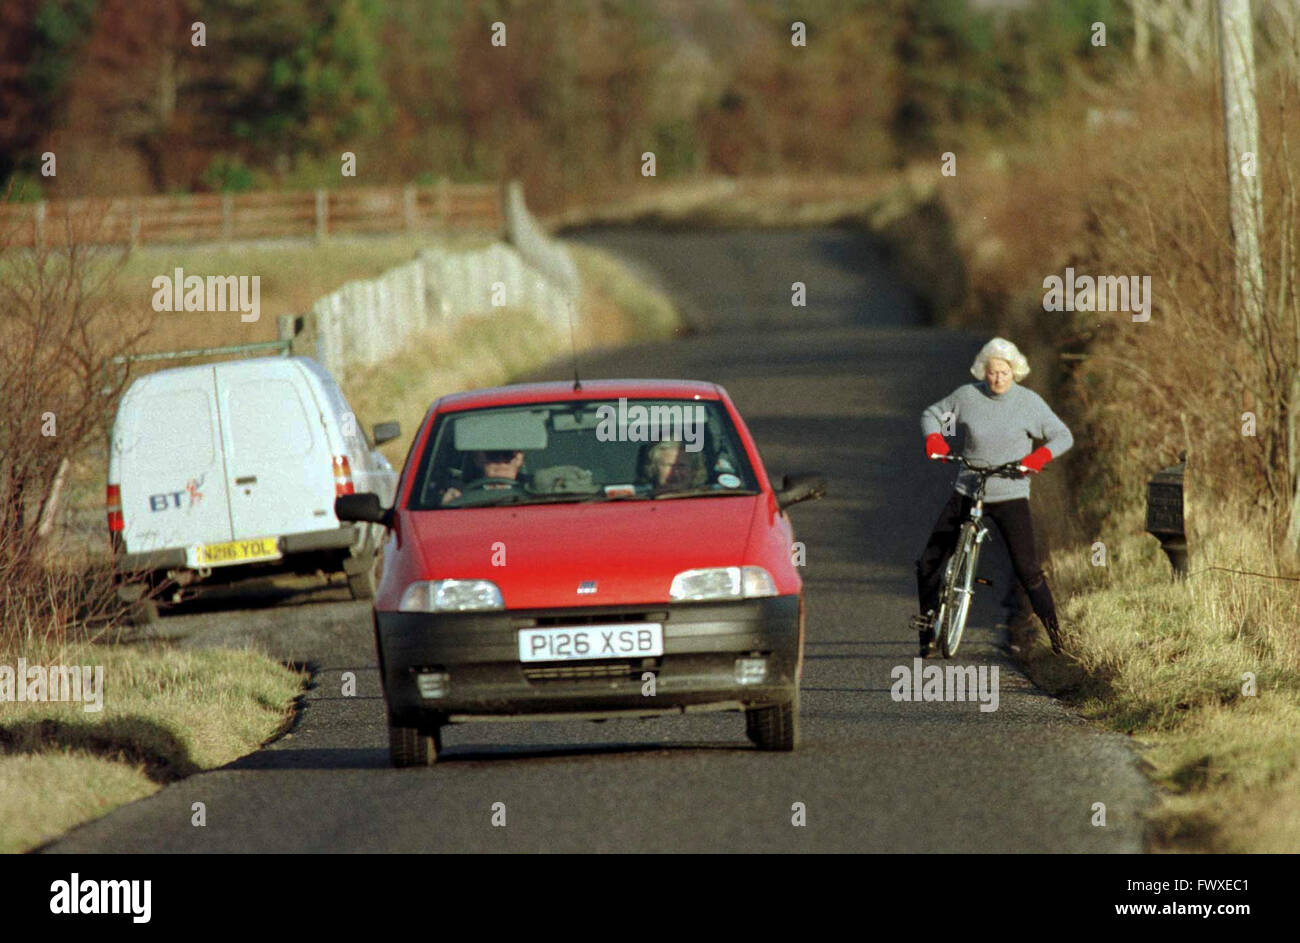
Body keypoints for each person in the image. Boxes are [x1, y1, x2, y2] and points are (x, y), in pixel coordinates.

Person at [914, 337, 1073, 655]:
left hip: (1010, 493)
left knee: (1028, 570)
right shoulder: (967, 397)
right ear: (982, 372)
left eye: (1004, 372)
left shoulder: (1029, 403)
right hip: (968, 488)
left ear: (1014, 371)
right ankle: (930, 625)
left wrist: (1037, 459)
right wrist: (938, 440)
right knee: (928, 562)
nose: (998, 378)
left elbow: (1062, 435)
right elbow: (936, 415)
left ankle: (1058, 638)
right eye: (992, 372)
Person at [440, 449, 524, 505]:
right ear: (478, 459)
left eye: (508, 455)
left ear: (519, 459)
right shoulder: (461, 494)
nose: (500, 462)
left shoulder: (533, 494)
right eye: (492, 454)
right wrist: (448, 505)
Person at [642, 440, 707, 491]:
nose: (675, 472)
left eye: (681, 466)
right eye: (669, 465)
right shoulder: (640, 501)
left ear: (694, 470)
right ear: (654, 468)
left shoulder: (707, 502)